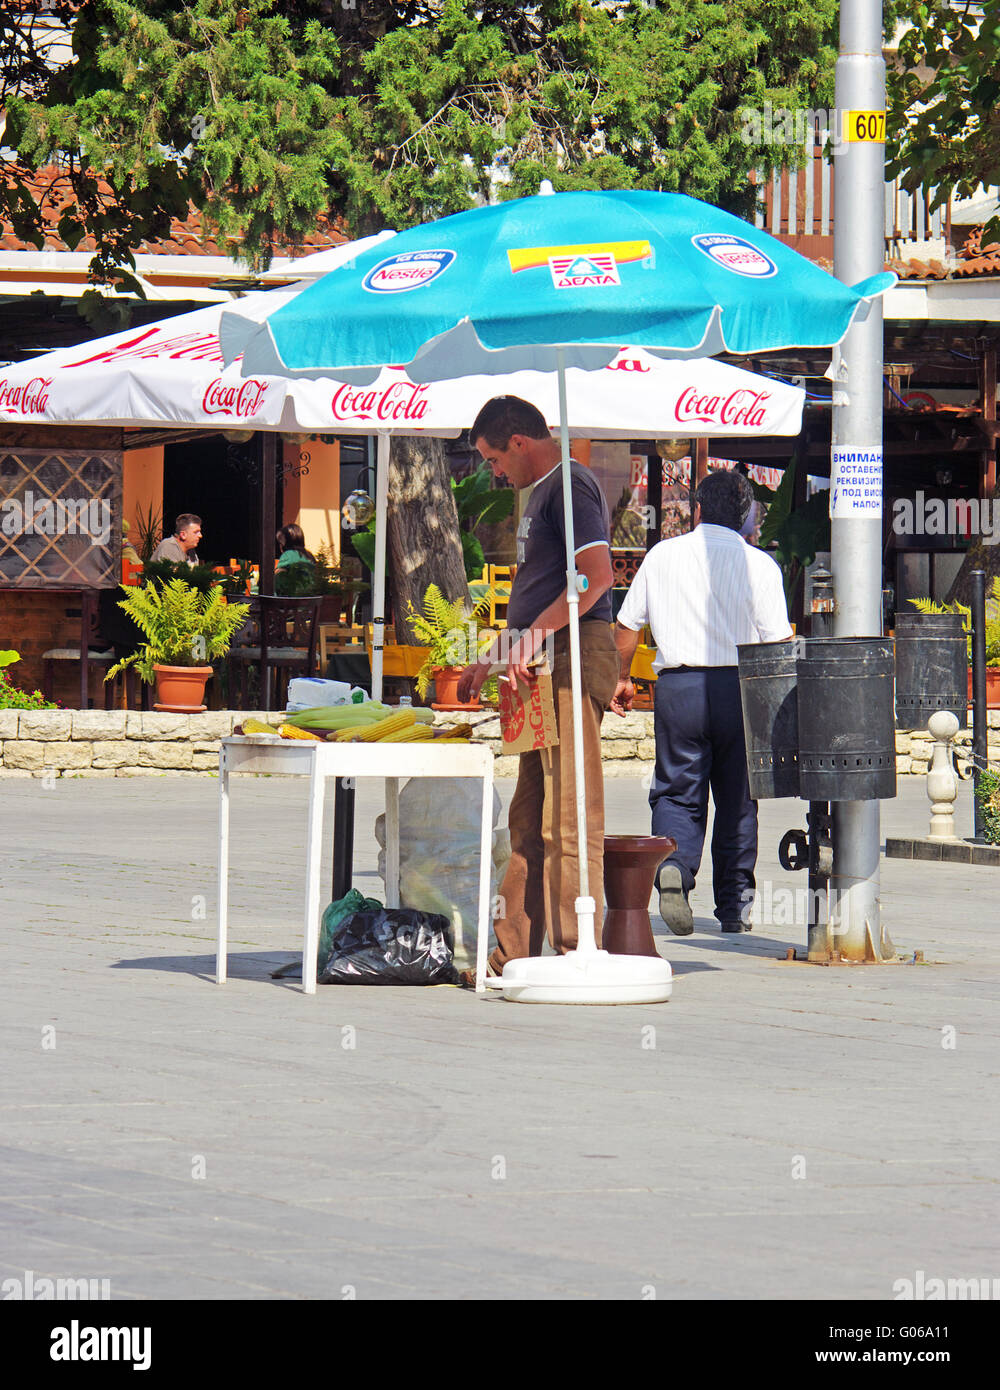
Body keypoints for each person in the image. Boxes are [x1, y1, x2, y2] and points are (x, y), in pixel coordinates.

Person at [456, 396, 619, 979]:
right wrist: (495, 655)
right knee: (528, 818)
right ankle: (512, 954)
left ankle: (578, 948)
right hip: (538, 664)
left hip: (569, 659)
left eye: (493, 459)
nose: (494, 473)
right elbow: (542, 589)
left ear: (519, 442)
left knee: (570, 812)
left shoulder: (570, 487)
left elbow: (592, 577)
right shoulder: (543, 493)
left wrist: (530, 641)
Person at [611, 469, 792, 935]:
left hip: (679, 690)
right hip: (741, 691)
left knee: (676, 790)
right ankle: (734, 908)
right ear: (749, 515)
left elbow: (627, 626)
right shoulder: (761, 566)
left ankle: (675, 865)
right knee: (738, 799)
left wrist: (620, 678)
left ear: (696, 510)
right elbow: (778, 645)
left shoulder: (661, 556)